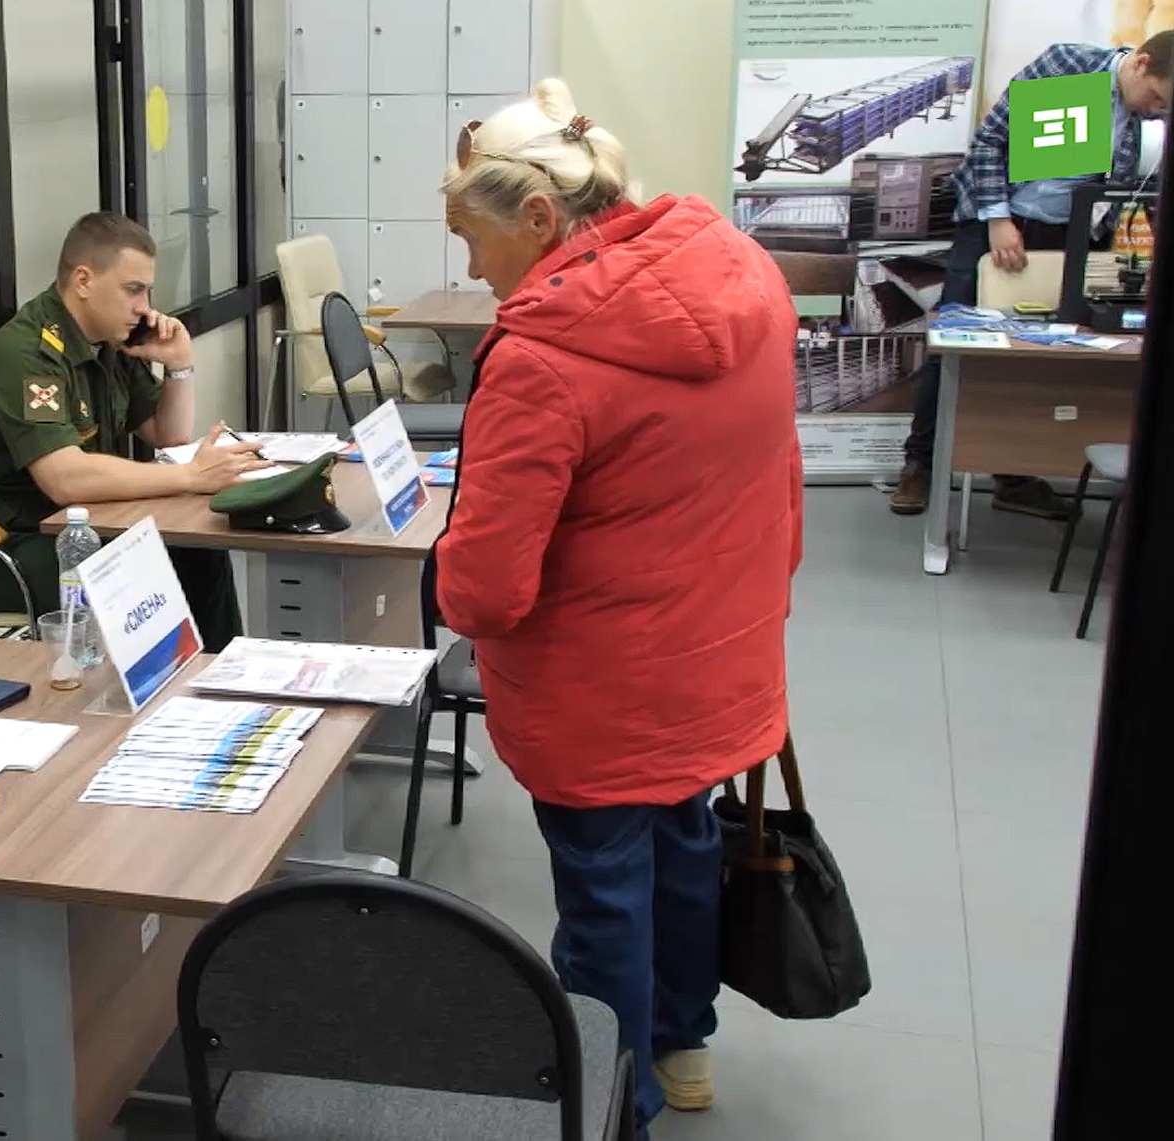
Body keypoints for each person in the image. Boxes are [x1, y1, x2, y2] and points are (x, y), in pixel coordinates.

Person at [432, 80, 803, 1137]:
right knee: (686, 849)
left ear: (541, 219)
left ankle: (613, 1106)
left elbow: (488, 590)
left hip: (599, 692)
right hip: (723, 658)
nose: (471, 266)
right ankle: (682, 1048)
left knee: (603, 901)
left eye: (474, 237)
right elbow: (777, 479)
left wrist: (451, 561)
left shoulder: (543, 358)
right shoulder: (746, 275)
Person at [0, 211, 267, 650]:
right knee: (137, 573)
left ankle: (221, 682)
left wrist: (179, 364)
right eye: (133, 290)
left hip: (69, 528)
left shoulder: (109, 340)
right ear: (83, 282)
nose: (144, 307)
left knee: (200, 555)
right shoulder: (27, 355)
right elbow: (65, 479)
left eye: (147, 291)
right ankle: (151, 702)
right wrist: (188, 477)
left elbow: (168, 433)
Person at [890, 30, 1174, 516]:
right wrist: (999, 219)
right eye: (1155, 98)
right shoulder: (1073, 68)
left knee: (1038, 355)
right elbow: (989, 145)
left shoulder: (1140, 114)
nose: (1154, 111)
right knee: (954, 342)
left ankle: (1013, 473)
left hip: (1066, 232)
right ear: (1141, 64)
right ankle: (921, 464)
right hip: (998, 220)